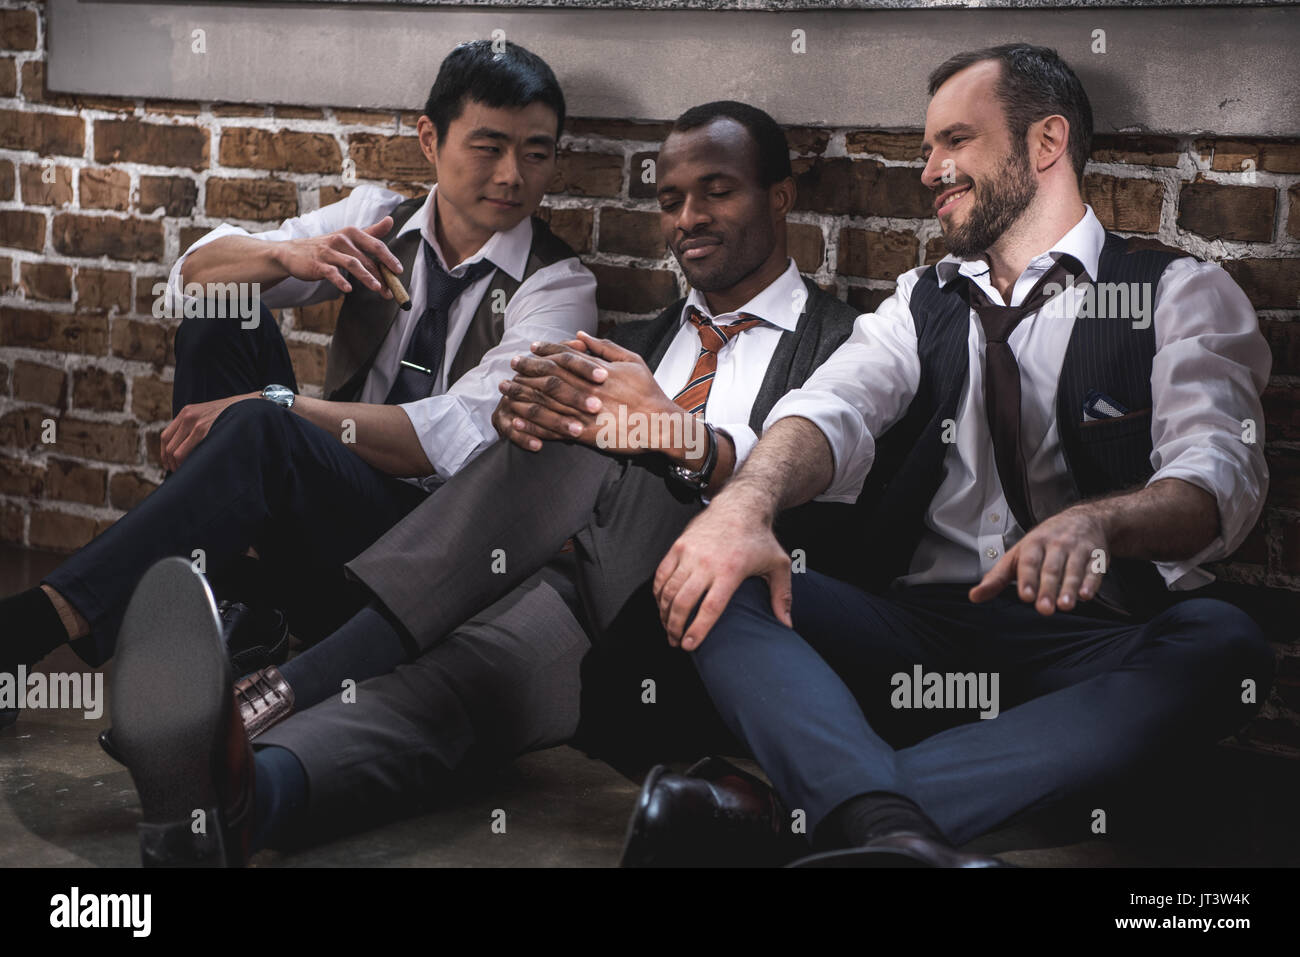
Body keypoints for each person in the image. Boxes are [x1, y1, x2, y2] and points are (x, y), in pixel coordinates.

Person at [109, 101, 859, 867]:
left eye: (717, 191)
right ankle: (242, 800)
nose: (689, 217)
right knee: (442, 694)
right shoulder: (634, 342)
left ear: (780, 197)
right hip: (565, 596)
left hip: (707, 622)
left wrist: (660, 430)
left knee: (587, 418)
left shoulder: (842, 351)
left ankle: (280, 686)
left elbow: (833, 502)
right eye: (671, 201)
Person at [638, 44, 1276, 867]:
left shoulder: (1177, 291)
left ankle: (834, 815)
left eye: (955, 142)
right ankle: (890, 830)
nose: (930, 169)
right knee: (715, 577)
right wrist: (744, 504)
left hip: (1090, 646)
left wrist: (1100, 524)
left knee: (1224, 644)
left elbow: (1217, 478)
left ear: (1045, 143)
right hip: (919, 634)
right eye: (927, 148)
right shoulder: (924, 297)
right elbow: (831, 410)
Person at [0, 41, 596, 698]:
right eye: (489, 147)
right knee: (222, 314)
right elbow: (189, 279)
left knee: (266, 422)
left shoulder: (558, 287)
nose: (513, 175)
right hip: (317, 509)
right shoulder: (379, 219)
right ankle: (230, 601)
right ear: (430, 139)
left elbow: (459, 432)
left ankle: (37, 625)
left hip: (419, 555)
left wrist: (280, 403)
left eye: (536, 153)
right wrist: (291, 256)